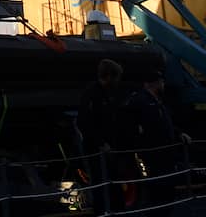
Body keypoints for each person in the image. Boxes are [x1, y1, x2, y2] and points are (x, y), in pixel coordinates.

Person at [123, 69, 187, 217]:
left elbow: (165, 123)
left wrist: (178, 133)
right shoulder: (141, 102)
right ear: (154, 83)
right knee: (156, 190)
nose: (163, 84)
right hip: (153, 153)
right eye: (161, 82)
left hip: (165, 152)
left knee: (166, 188)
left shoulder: (157, 102)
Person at [77, 58, 127, 211]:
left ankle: (115, 209)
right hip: (98, 150)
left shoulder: (107, 93)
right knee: (101, 183)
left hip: (109, 147)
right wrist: (100, 143)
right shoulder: (92, 95)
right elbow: (84, 122)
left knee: (113, 184)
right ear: (109, 76)